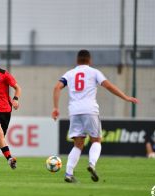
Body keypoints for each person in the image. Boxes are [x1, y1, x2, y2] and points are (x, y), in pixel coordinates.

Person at [52, 50, 139, 183]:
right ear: (89, 60)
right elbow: (108, 86)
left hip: (74, 111)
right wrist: (125, 97)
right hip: (90, 110)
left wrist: (56, 108)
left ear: (77, 60)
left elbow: (57, 87)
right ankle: (92, 164)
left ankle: (69, 173)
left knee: (78, 144)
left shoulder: (70, 74)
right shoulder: (94, 72)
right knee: (96, 140)